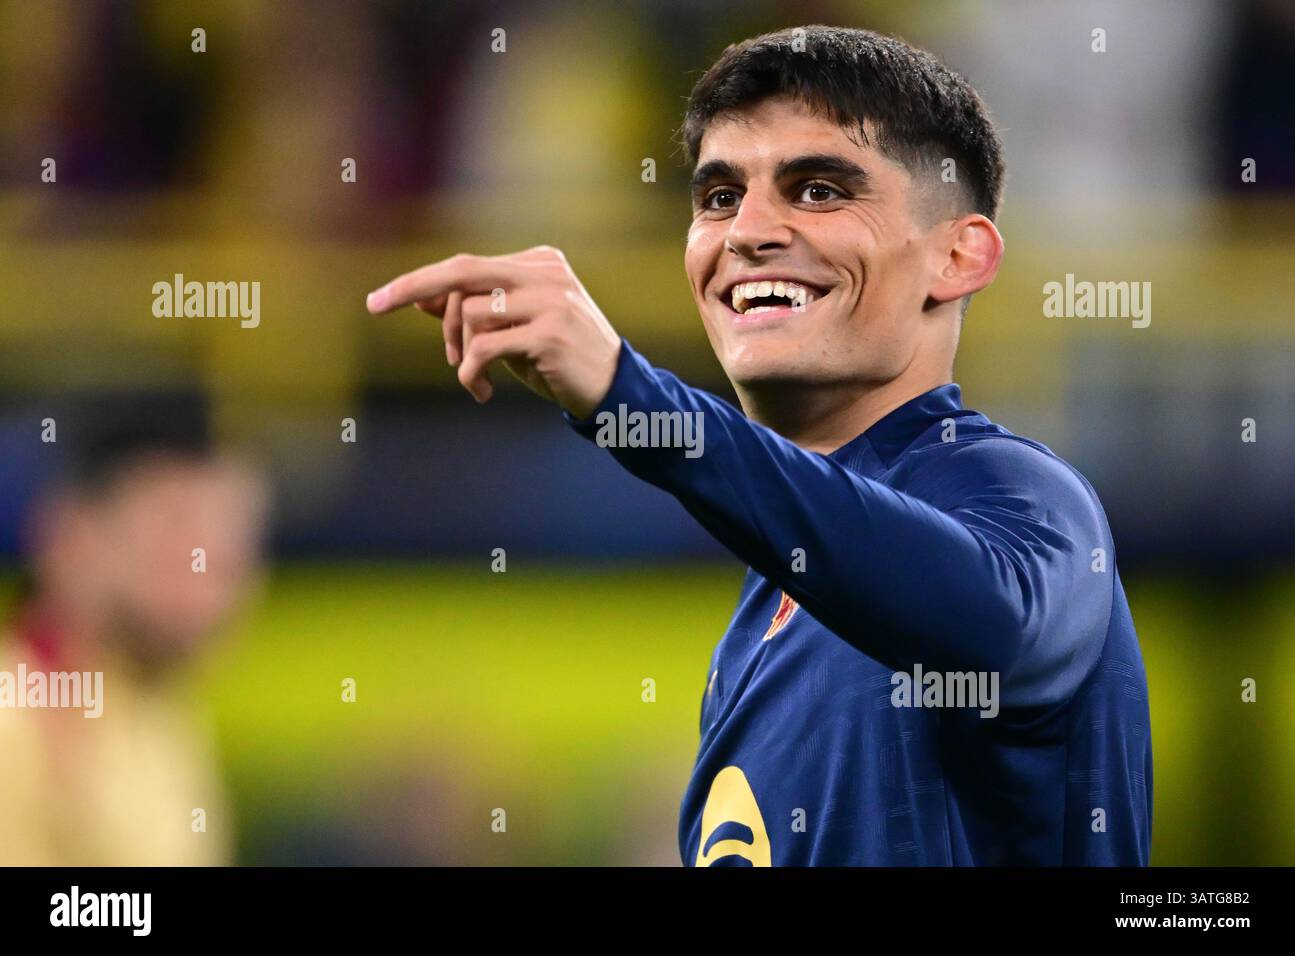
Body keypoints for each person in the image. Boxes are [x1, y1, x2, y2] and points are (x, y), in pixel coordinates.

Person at [366, 25, 1153, 866]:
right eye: (718, 197)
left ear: (958, 256)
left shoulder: (1020, 494)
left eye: (817, 190)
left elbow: (993, 629)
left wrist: (631, 396)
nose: (747, 231)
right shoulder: (765, 615)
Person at [0, 398, 269, 865]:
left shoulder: (163, 718)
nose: (211, 567)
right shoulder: (16, 723)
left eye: (233, 539)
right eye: (176, 527)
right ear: (70, 537)